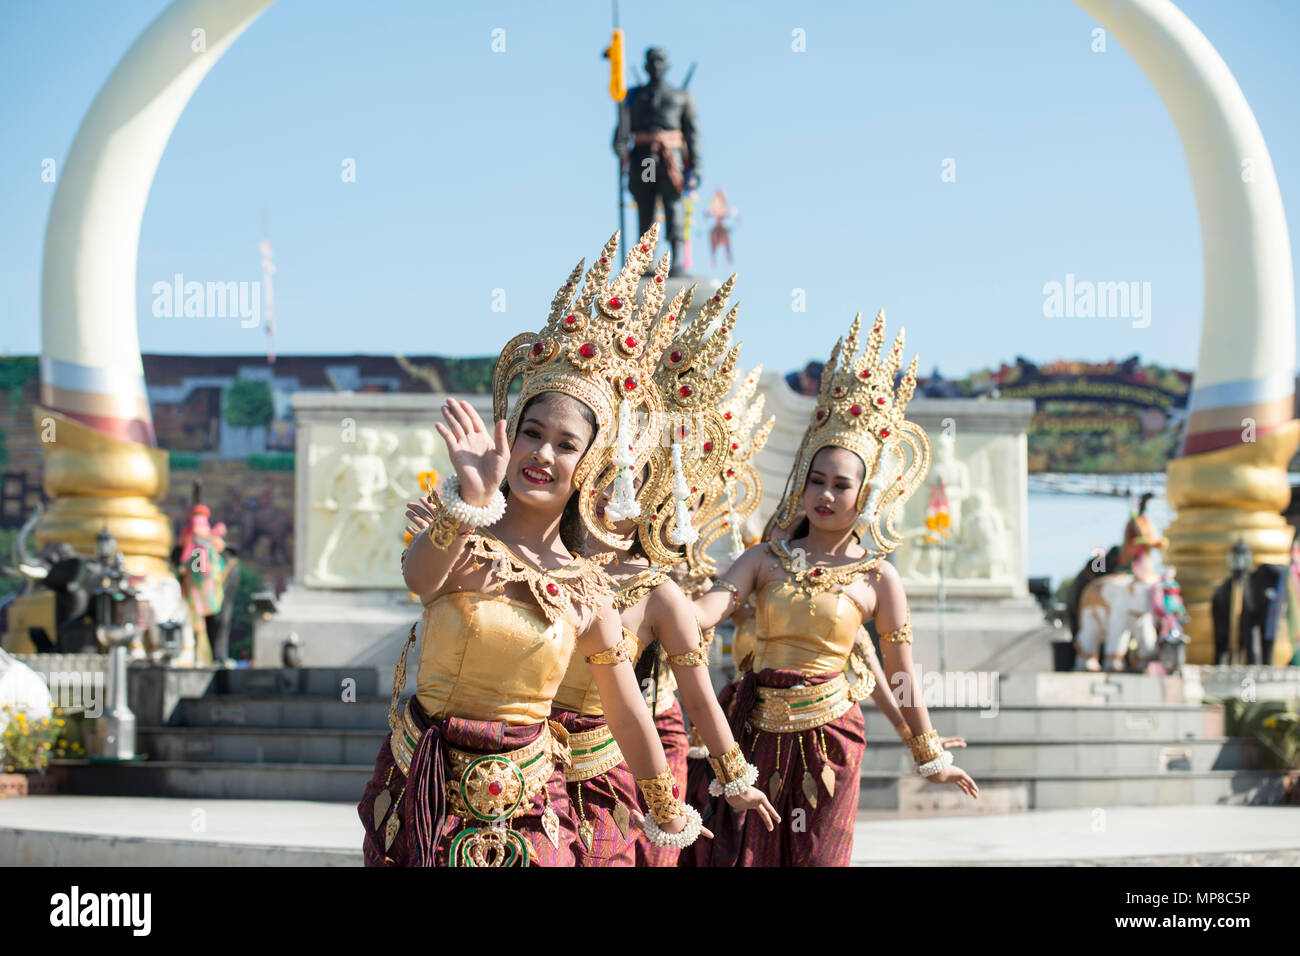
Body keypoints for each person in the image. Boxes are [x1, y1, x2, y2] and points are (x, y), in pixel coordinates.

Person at [359, 226, 708, 866]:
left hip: (529, 809)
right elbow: (419, 578)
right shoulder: (464, 532)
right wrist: (467, 499)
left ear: (593, 464)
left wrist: (664, 804)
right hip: (425, 796)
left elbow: (627, 711)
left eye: (565, 443)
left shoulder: (588, 585)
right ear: (509, 438)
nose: (542, 454)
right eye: (531, 433)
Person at [690, 311, 979, 867]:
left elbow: (898, 674)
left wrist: (929, 751)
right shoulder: (762, 560)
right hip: (753, 733)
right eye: (815, 481)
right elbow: (706, 614)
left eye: (840, 485)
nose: (824, 495)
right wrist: (653, 588)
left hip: (831, 743)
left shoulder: (877, 578)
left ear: (866, 495)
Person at [548, 282, 778, 866]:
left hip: (613, 768)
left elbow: (700, 694)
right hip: (523, 773)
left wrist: (734, 777)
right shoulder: (536, 558)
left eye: (626, 485)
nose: (609, 501)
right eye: (599, 481)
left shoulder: (657, 593)